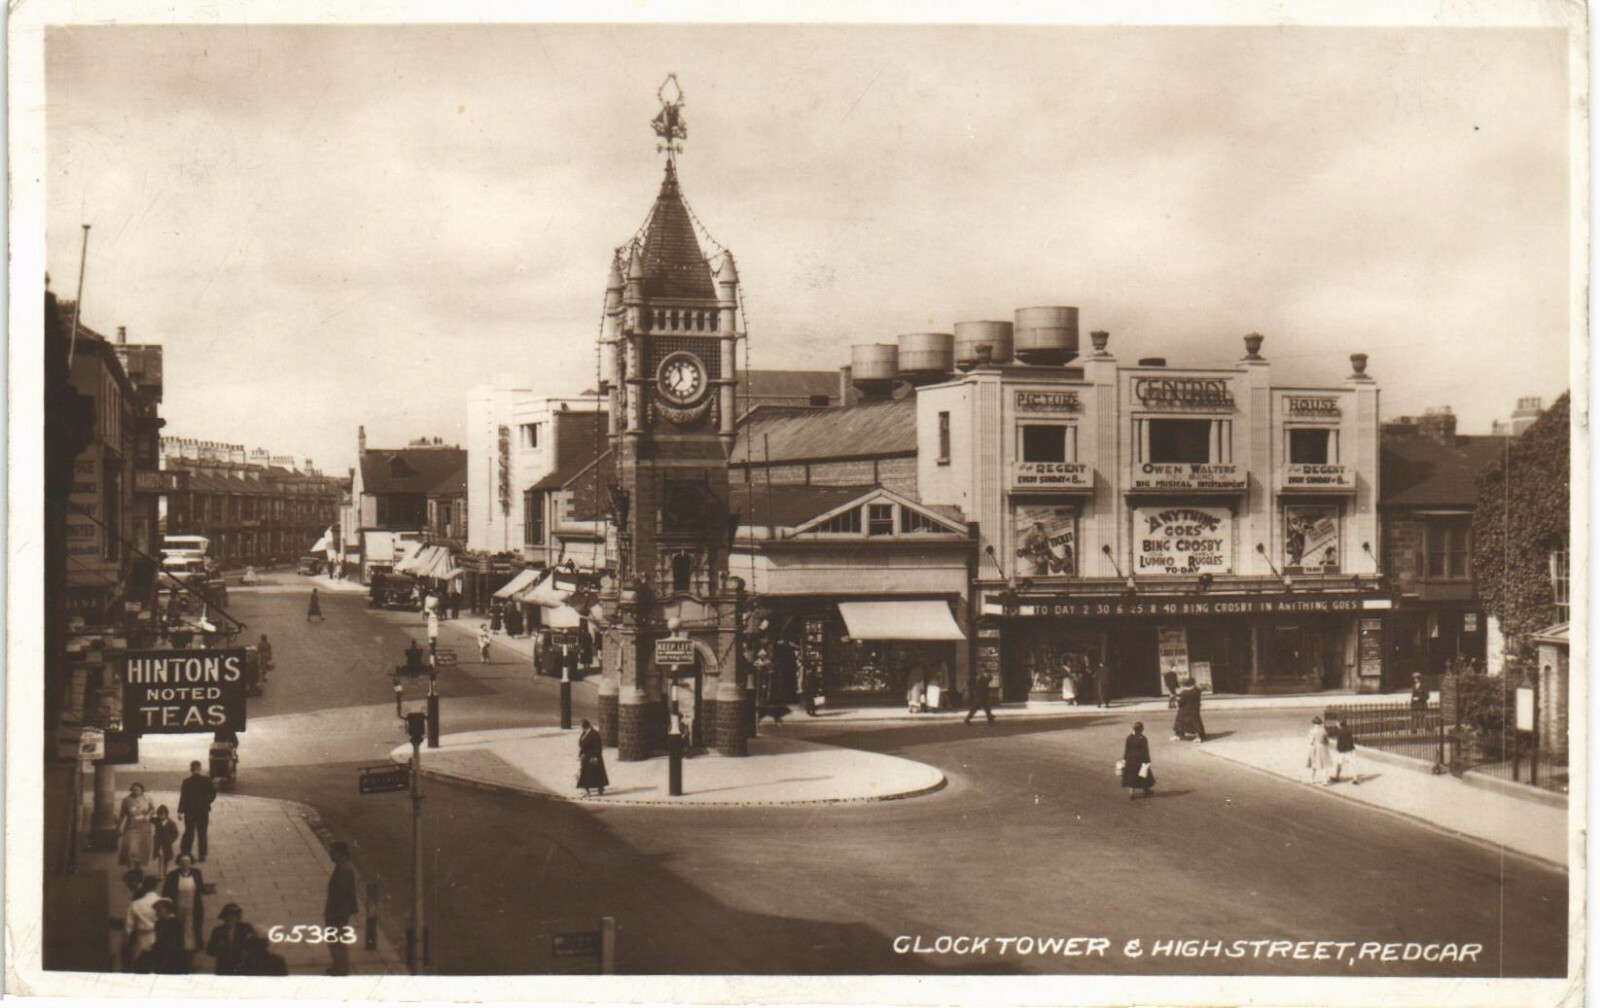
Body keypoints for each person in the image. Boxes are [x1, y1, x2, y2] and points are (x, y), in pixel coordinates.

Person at [325, 841, 359, 976]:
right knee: (336, 939)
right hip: (339, 911)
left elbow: (342, 893)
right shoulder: (343, 866)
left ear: (339, 853)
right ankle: (338, 966)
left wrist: (334, 913)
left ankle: (341, 969)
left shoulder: (343, 869)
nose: (330, 854)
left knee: (337, 940)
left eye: (332, 852)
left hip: (338, 912)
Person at [162, 853, 206, 957]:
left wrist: (208, 889)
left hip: (192, 903)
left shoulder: (196, 873)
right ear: (179, 863)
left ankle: (190, 946)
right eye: (183, 862)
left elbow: (200, 887)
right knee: (178, 924)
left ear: (191, 863)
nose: (185, 864)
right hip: (178, 903)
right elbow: (166, 892)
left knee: (191, 924)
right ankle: (178, 945)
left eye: (187, 862)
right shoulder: (172, 875)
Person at [178, 760, 216, 861]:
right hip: (203, 810)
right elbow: (213, 794)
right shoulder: (207, 780)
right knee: (202, 832)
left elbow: (183, 797)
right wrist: (207, 801)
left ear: (191, 769)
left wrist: (180, 811)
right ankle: (202, 855)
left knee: (189, 832)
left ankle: (186, 852)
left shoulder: (186, 782)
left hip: (189, 811)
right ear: (200, 769)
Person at [123, 876, 162, 971]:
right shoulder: (163, 902)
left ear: (144, 887)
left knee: (141, 969)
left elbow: (129, 928)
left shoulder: (135, 904)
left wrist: (128, 941)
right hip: (158, 939)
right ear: (156, 886)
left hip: (140, 940)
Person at [117, 782, 156, 873]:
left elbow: (153, 809)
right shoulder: (126, 800)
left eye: (137, 790)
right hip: (131, 826)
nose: (135, 791)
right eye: (133, 790)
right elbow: (122, 814)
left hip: (144, 826)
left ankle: (138, 867)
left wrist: (148, 816)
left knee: (142, 847)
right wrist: (118, 826)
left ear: (142, 790)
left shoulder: (147, 799)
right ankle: (130, 868)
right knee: (130, 847)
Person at [206, 904, 253, 976]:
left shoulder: (245, 928)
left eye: (233, 915)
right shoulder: (218, 931)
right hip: (224, 968)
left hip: (242, 968)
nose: (230, 918)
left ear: (237, 917)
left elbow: (253, 945)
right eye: (227, 916)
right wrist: (218, 946)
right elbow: (209, 950)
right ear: (224, 918)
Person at [147, 899, 189, 974]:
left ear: (168, 909)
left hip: (173, 958)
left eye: (159, 909)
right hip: (163, 956)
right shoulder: (160, 923)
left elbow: (172, 942)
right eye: (156, 910)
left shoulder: (174, 923)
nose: (157, 913)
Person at [1121, 721, 1155, 799]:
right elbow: (1145, 751)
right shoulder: (1143, 738)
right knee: (1144, 774)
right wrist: (1147, 761)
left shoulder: (1129, 737)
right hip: (1140, 760)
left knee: (1132, 777)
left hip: (1130, 759)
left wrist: (1124, 759)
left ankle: (1131, 794)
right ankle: (1146, 790)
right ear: (1142, 729)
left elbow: (1127, 749)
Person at [577, 719, 609, 796]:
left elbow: (598, 747)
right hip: (586, 756)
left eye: (580, 726)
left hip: (593, 757)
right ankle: (593, 789)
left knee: (593, 774)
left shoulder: (595, 734)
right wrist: (580, 754)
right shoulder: (584, 733)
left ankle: (592, 790)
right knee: (589, 774)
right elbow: (582, 746)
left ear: (585, 726)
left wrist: (595, 757)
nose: (580, 728)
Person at [1172, 677, 1207, 742]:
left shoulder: (1184, 693)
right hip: (1194, 710)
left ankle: (1179, 735)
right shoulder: (1196, 691)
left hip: (1184, 710)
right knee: (1196, 722)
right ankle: (1200, 736)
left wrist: (1176, 698)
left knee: (1180, 722)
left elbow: (1181, 701)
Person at [1331, 714, 1362, 784]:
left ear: (1340, 724)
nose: (1336, 724)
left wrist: (1338, 749)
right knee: (1352, 764)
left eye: (1337, 723)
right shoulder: (1348, 730)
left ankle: (1337, 777)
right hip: (1350, 750)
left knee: (1339, 763)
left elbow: (1339, 742)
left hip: (1342, 751)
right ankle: (1355, 778)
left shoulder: (1339, 732)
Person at [151, 805, 179, 878]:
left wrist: (170, 840)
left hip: (167, 844)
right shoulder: (157, 820)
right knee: (161, 857)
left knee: (166, 858)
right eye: (159, 815)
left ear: (166, 814)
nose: (161, 817)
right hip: (159, 843)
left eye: (162, 815)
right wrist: (151, 812)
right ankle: (161, 873)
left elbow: (175, 833)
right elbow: (149, 819)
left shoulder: (171, 823)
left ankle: (165, 871)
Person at [1306, 715, 1333, 784]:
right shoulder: (1323, 730)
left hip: (1315, 747)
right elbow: (1327, 741)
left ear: (1313, 723)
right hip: (1322, 747)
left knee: (1313, 763)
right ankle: (1325, 780)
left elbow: (1311, 741)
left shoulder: (1312, 731)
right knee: (1323, 764)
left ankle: (1312, 779)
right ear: (1320, 723)